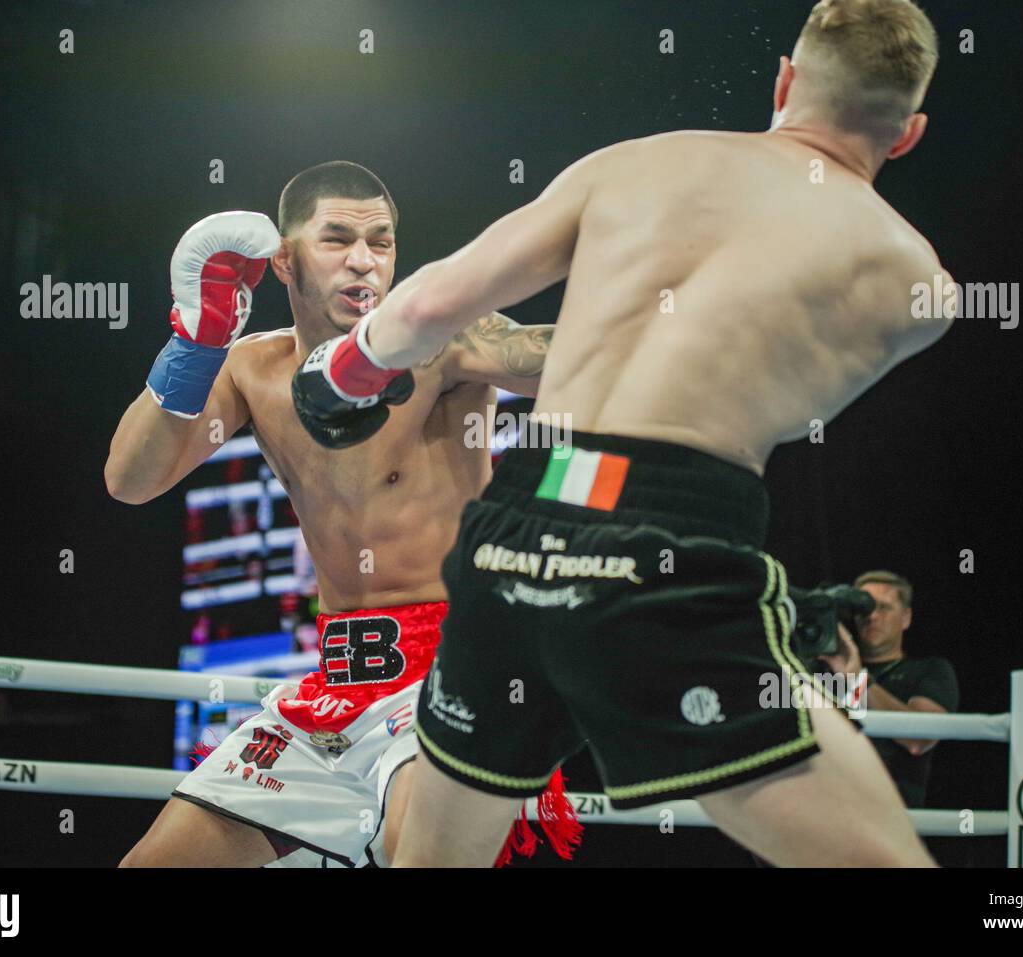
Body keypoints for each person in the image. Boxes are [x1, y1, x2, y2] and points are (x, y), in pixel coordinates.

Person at [291, 0, 955, 867]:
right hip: (663, 537)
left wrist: (342, 373)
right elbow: (779, 402)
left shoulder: (641, 163)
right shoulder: (920, 282)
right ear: (907, 135)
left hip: (517, 521)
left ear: (785, 80)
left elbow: (425, 306)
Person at [108, 161, 573, 867]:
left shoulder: (443, 343)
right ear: (284, 260)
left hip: (450, 669)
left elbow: (565, 354)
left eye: (381, 242)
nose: (364, 260)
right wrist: (195, 343)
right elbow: (130, 480)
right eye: (337, 240)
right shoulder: (250, 369)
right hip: (334, 686)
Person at [821, 570, 959, 808]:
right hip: (828, 813)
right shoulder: (823, 672)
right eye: (864, 609)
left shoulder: (930, 670)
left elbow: (919, 739)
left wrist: (857, 680)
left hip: (891, 816)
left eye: (883, 608)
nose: (872, 616)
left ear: (906, 617)